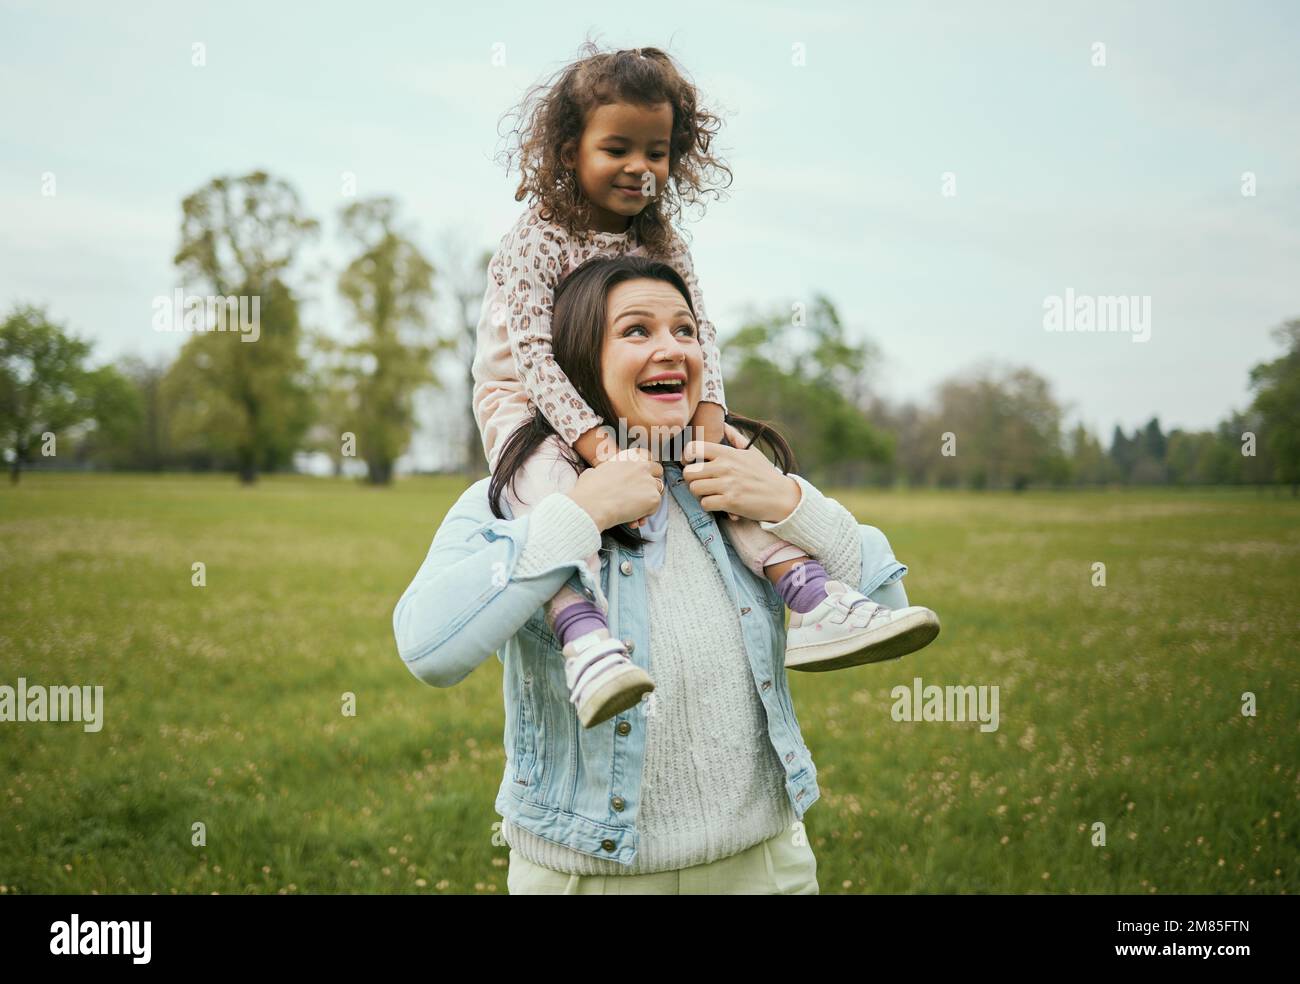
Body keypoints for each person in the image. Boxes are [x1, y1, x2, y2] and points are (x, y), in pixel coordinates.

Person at [394, 254, 939, 894]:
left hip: (763, 867)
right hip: (589, 876)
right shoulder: (518, 496)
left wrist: (791, 503)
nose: (673, 349)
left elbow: (888, 602)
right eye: (636, 331)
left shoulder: (733, 485)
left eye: (685, 331)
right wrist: (583, 512)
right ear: (575, 363)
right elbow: (428, 646)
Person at [475, 43, 939, 729]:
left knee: (721, 469)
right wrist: (597, 446)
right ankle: (584, 636)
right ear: (570, 151)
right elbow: (537, 357)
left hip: (629, 399)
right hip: (527, 398)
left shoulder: (663, 241)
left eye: (657, 151)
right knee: (547, 490)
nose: (640, 168)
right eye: (618, 148)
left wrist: (711, 417)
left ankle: (811, 597)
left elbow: (702, 333)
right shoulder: (537, 238)